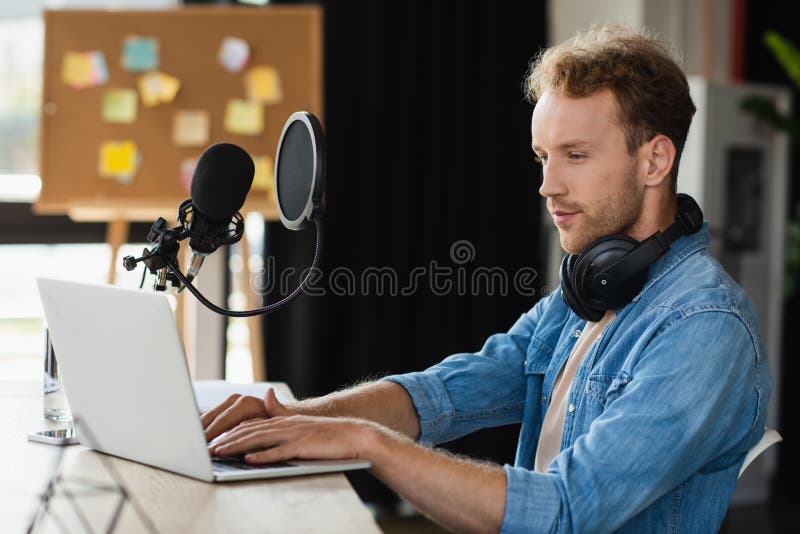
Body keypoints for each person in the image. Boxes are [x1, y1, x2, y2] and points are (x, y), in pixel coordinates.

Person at [202, 25, 772, 533]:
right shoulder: (589, 289)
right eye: (541, 157)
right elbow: (443, 395)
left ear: (654, 161)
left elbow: (565, 512)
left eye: (575, 155)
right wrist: (296, 417)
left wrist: (366, 444)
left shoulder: (705, 327)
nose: (547, 186)